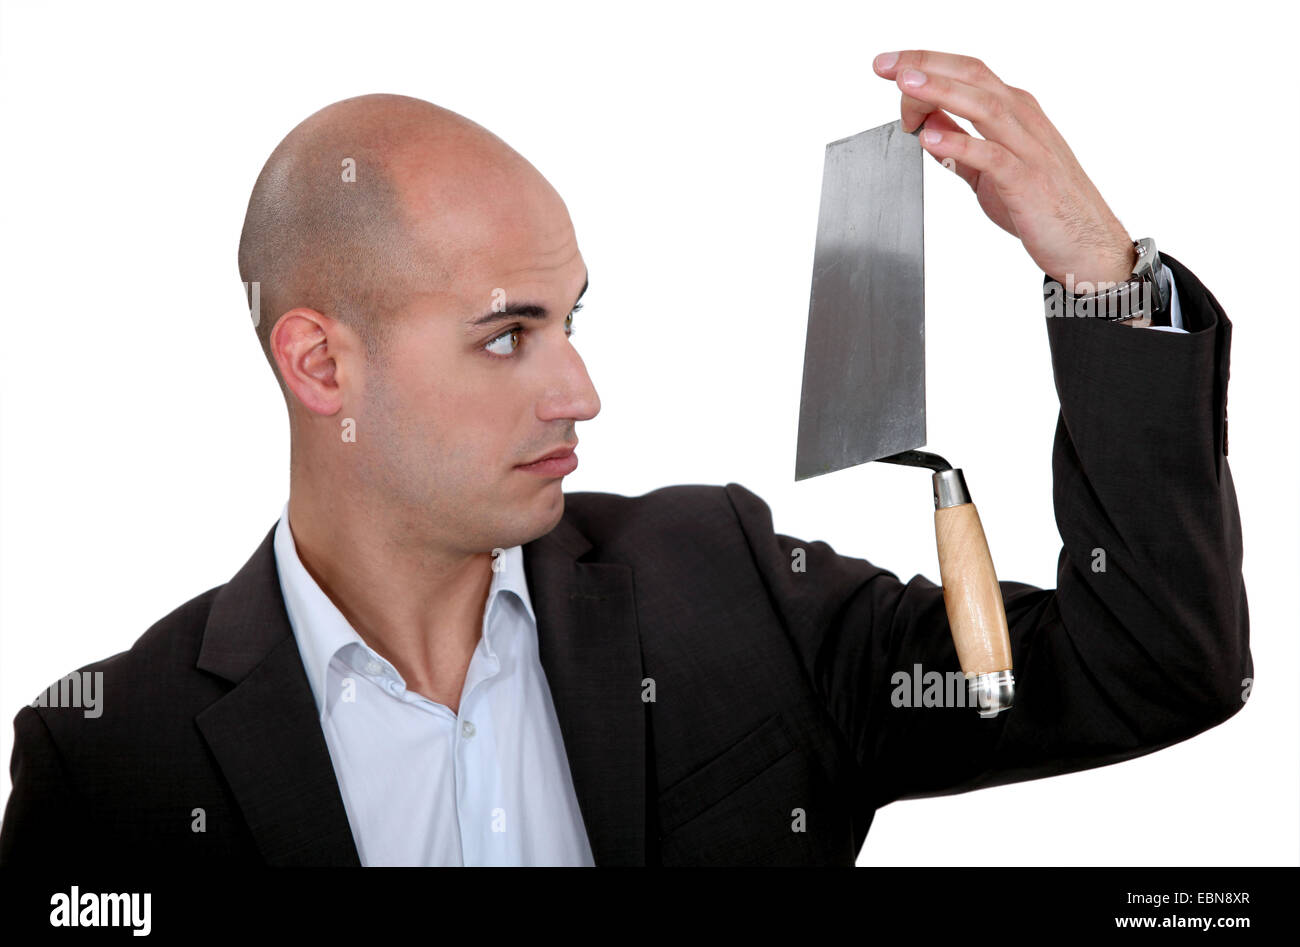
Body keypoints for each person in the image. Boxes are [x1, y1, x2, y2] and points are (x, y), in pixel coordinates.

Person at [0, 50, 1249, 866]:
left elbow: (1154, 667)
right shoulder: (117, 755)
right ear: (322, 366)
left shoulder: (729, 587)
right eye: (506, 335)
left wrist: (1095, 270)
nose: (581, 389)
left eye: (570, 320)